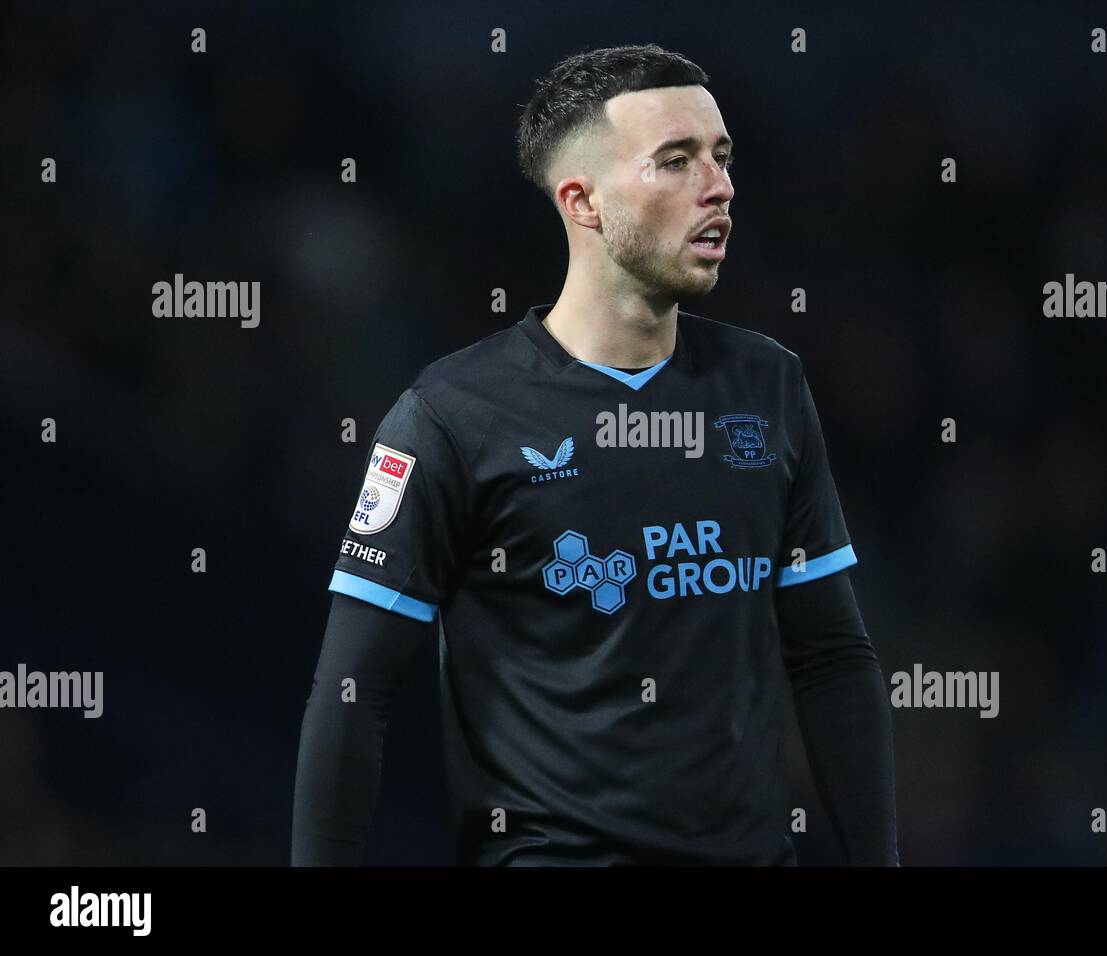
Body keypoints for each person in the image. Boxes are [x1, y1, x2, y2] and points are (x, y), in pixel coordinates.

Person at [292, 43, 899, 866]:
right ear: (581, 200)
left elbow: (830, 656)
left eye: (720, 158)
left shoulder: (769, 387)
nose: (717, 186)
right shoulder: (450, 417)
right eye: (675, 161)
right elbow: (353, 694)